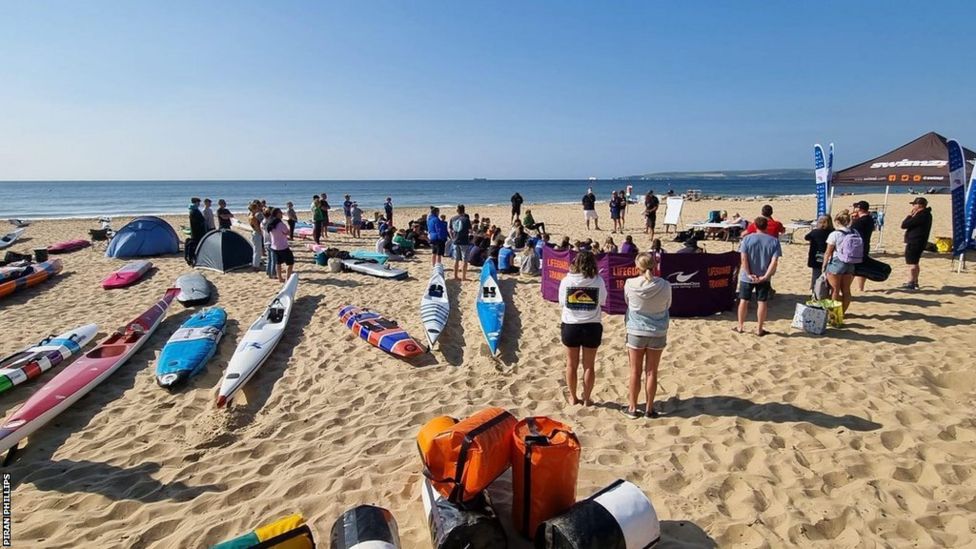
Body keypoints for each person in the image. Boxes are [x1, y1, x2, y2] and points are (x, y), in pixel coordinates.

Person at [622, 253, 672, 419]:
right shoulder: (664, 285)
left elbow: (628, 302)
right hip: (657, 330)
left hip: (636, 330)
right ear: (655, 266)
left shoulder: (630, 283)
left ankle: (633, 408)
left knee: (635, 372)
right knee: (652, 371)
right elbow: (668, 305)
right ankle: (649, 409)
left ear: (638, 267)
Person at [557, 251, 607, 406]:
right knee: (589, 366)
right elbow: (603, 301)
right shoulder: (598, 280)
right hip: (591, 325)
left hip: (571, 325)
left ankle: (573, 397)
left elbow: (561, 302)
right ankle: (586, 398)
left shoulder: (567, 280)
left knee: (571, 364)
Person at [735, 217, 782, 336]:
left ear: (755, 226)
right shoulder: (774, 241)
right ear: (766, 226)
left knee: (744, 301)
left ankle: (740, 326)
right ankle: (759, 328)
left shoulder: (747, 239)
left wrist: (748, 273)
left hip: (747, 276)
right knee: (762, 302)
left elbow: (743, 258)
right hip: (763, 276)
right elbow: (774, 261)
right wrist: (766, 276)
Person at [822, 210, 862, 313]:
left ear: (837, 221)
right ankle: (843, 312)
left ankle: (834, 313)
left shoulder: (835, 234)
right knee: (846, 290)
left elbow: (828, 252)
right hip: (851, 262)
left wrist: (824, 266)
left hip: (837, 262)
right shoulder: (855, 232)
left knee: (835, 289)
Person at [901, 196, 933, 290]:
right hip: (920, 241)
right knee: (915, 262)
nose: (913, 207)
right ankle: (914, 281)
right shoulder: (927, 214)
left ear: (919, 205)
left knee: (912, 263)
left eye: (914, 205)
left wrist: (910, 215)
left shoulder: (921, 215)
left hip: (915, 241)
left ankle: (911, 282)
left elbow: (904, 225)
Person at [851, 201, 875, 291]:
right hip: (865, 244)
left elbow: (851, 230)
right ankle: (860, 287)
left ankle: (855, 287)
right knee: (861, 266)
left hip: (858, 246)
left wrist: (853, 219)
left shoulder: (861, 221)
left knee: (854, 267)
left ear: (860, 209)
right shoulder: (869, 218)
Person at [804, 215, 832, 292]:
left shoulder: (815, 232)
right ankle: (825, 291)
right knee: (827, 275)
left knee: (816, 275)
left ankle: (814, 291)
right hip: (829, 255)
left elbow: (806, 237)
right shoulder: (832, 232)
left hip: (816, 256)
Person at [267, 208, 294, 282]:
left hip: (274, 246)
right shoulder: (280, 224)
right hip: (283, 246)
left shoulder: (271, 224)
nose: (282, 214)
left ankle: (280, 278)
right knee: (290, 263)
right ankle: (287, 279)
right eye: (280, 213)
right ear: (277, 214)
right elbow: (288, 232)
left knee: (278, 263)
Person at [449, 204, 472, 281]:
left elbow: (450, 230)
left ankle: (455, 276)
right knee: (464, 260)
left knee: (456, 260)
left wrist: (452, 237)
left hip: (455, 241)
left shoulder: (453, 218)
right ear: (464, 210)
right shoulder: (466, 219)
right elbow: (470, 231)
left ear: (457, 210)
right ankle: (463, 277)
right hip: (464, 241)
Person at [248, 202, 264, 270]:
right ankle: (255, 266)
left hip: (254, 233)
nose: (258, 209)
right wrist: (262, 234)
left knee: (256, 250)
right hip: (256, 233)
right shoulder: (253, 217)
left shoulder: (250, 216)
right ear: (254, 209)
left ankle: (255, 263)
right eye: (257, 208)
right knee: (258, 250)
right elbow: (257, 228)